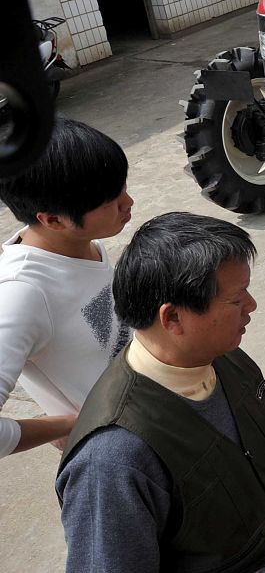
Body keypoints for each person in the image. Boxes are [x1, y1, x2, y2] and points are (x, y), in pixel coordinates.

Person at [56, 212, 265, 573]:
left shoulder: (227, 359)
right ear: (172, 318)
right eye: (236, 299)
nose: (251, 306)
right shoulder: (113, 460)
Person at [0, 117, 133, 460]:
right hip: (120, 456)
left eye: (122, 186)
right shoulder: (21, 293)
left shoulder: (82, 246)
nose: (128, 201)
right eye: (110, 200)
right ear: (53, 220)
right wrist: (65, 425)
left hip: (157, 419)